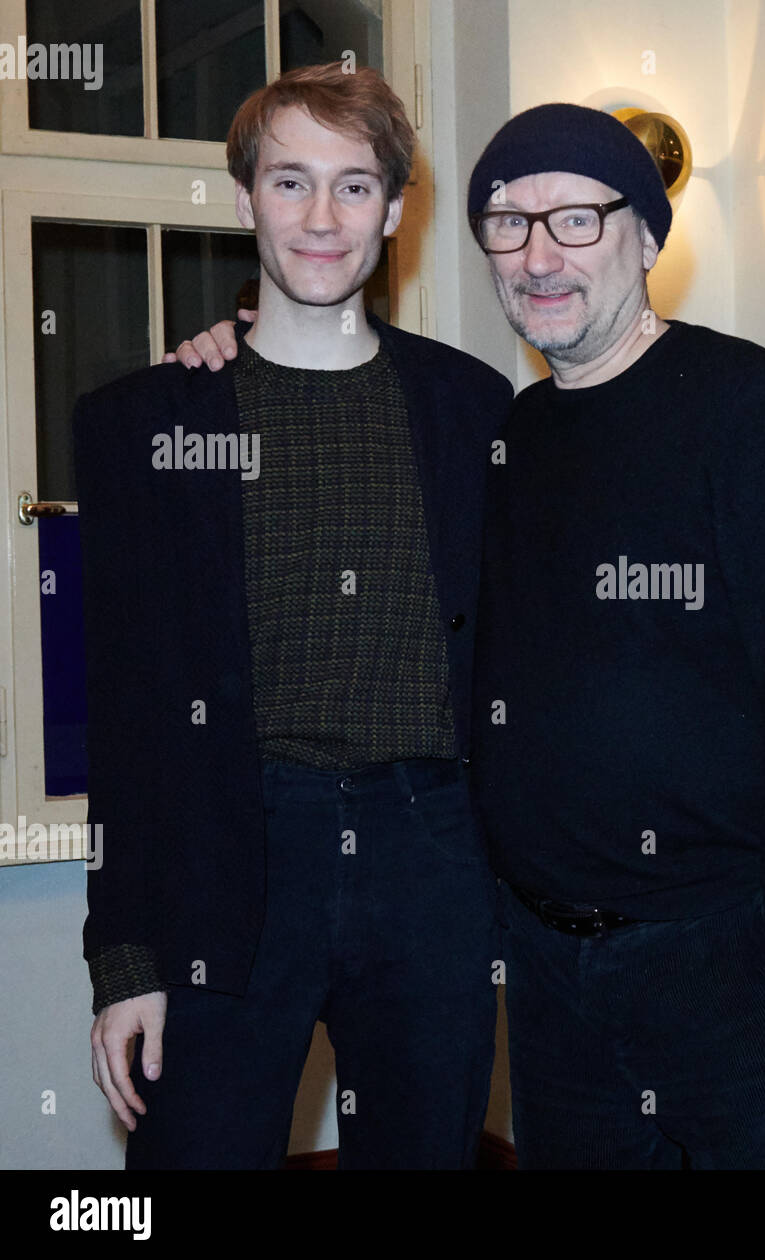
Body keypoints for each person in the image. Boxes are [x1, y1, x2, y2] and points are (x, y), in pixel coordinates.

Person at [177, 102, 765, 1169]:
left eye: (573, 220)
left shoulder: (752, 414)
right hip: (548, 973)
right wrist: (236, 353)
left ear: (647, 235)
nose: (536, 255)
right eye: (506, 225)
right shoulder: (503, 435)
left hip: (728, 962)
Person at [77, 61, 512, 1168]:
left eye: (354, 187)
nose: (322, 219)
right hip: (228, 853)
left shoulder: (474, 410)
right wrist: (124, 963)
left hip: (431, 852)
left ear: (396, 211)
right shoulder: (147, 426)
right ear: (242, 200)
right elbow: (123, 719)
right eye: (290, 182)